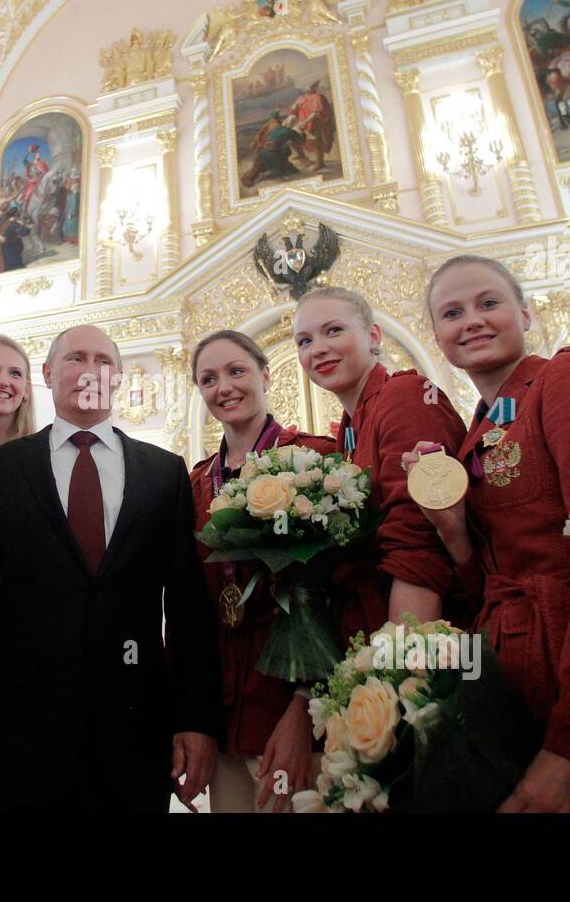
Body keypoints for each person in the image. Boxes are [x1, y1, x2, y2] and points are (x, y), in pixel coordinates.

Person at [406, 255, 570, 812]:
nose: (471, 320)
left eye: (489, 303)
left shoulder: (568, 375)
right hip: (514, 683)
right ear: (437, 335)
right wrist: (451, 530)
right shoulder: (479, 429)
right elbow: (490, 581)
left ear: (526, 312)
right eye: (452, 312)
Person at [0, 324, 221, 813]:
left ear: (120, 378)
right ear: (46, 373)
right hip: (22, 732)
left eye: (103, 361)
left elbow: (188, 607)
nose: (90, 371)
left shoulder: (164, 472)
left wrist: (197, 721)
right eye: (75, 358)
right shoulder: (0, 470)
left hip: (135, 734)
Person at [188, 329, 336, 813]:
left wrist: (303, 708)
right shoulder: (195, 484)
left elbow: (335, 597)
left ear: (266, 374)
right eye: (209, 379)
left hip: (296, 716)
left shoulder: (315, 461)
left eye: (236, 371)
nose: (224, 387)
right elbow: (189, 610)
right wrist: (193, 725)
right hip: (225, 717)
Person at [293, 287, 464, 641]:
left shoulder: (405, 396)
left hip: (418, 633)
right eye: (304, 341)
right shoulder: (349, 428)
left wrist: (397, 672)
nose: (318, 348)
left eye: (334, 330)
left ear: (373, 336)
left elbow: (419, 543)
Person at [289, 80, 335, 170]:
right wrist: (293, 110)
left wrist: (305, 122)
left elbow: (316, 113)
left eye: (310, 86)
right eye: (307, 86)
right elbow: (294, 110)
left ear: (314, 88)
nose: (308, 88)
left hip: (314, 123)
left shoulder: (318, 97)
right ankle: (301, 155)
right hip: (302, 123)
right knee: (291, 137)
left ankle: (320, 163)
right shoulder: (301, 98)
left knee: (316, 143)